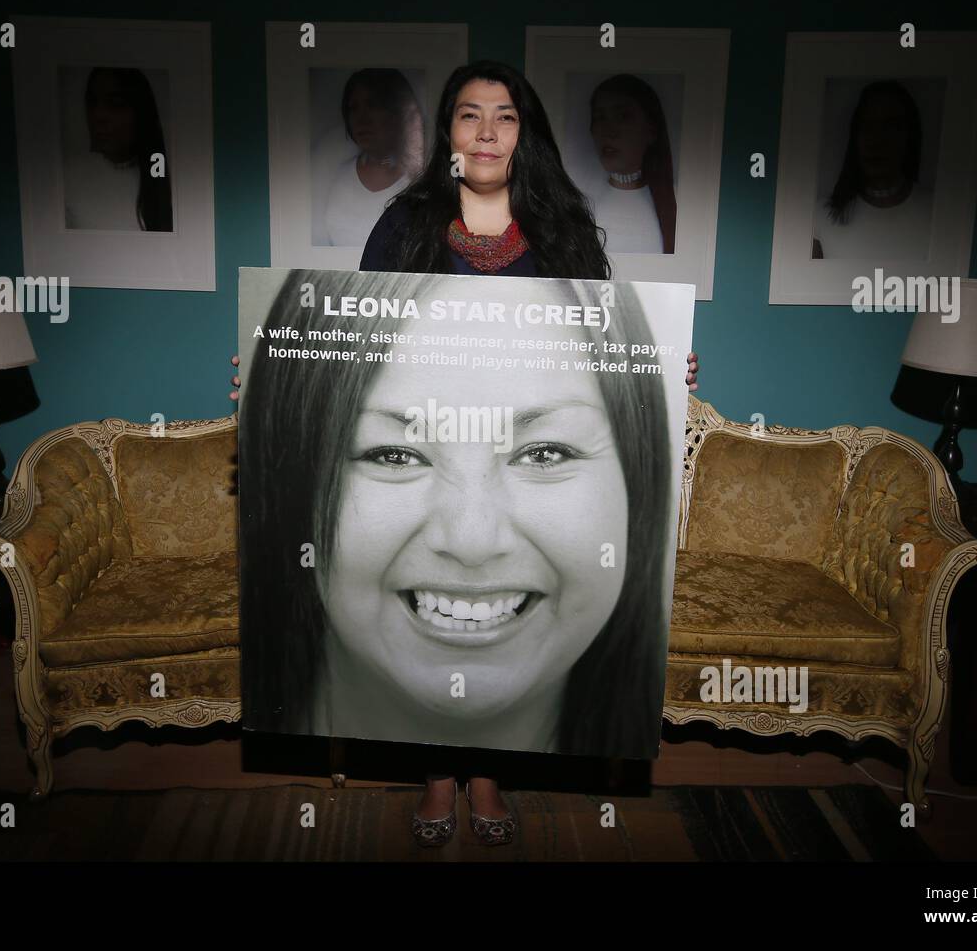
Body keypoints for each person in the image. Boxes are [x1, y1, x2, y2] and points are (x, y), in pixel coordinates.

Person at [232, 60, 699, 847]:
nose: (486, 131)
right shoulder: (401, 229)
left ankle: (487, 774)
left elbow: (601, 354)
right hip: (428, 443)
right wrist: (279, 362)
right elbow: (354, 350)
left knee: (495, 587)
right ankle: (439, 776)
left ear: (526, 134)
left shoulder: (567, 232)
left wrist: (664, 371)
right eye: (469, 115)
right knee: (440, 586)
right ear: (445, 134)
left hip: (514, 448)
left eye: (506, 116)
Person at [811, 79, 931, 260]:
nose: (876, 141)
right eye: (867, 126)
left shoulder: (936, 213)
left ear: (909, 136)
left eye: (890, 127)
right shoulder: (821, 215)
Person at [313, 69, 425, 248]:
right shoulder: (337, 175)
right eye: (353, 108)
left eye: (374, 105)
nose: (361, 118)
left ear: (398, 112)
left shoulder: (419, 184)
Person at [63, 67, 173, 232]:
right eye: (92, 102)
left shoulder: (172, 179)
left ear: (140, 112)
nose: (98, 115)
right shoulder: (66, 179)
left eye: (116, 104)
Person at [586, 74, 677, 254]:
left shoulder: (678, 204)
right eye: (600, 117)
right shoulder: (580, 206)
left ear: (651, 130)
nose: (608, 131)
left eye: (623, 116)